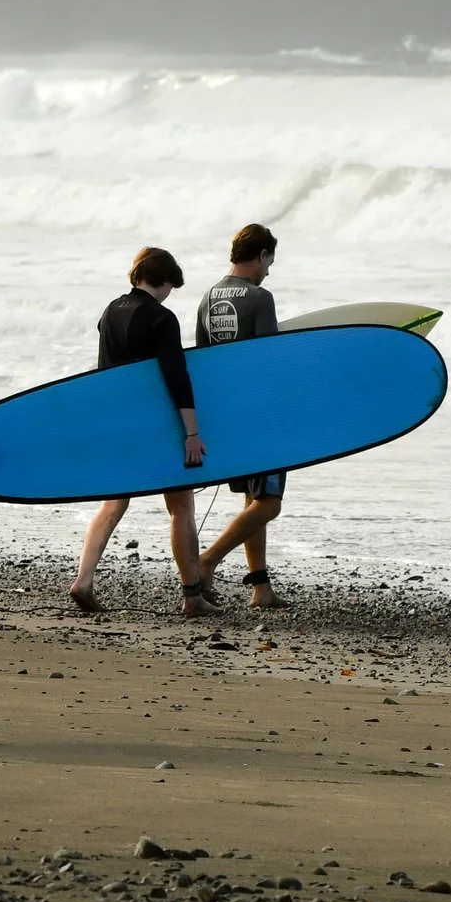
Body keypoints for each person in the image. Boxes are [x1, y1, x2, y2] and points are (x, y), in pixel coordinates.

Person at [68, 246, 211, 617]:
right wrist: (191, 433)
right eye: (171, 286)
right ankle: (192, 596)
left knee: (114, 503)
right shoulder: (161, 318)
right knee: (181, 506)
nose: (169, 294)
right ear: (163, 280)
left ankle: (84, 580)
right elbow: (176, 375)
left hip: (114, 422)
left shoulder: (111, 310)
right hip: (153, 425)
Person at [191, 223, 289, 610]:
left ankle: (260, 588)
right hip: (260, 416)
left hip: (228, 414)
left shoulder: (208, 298)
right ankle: (207, 561)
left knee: (253, 499)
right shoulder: (259, 298)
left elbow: (203, 363)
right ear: (261, 255)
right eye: (270, 263)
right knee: (269, 502)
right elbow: (269, 360)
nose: (268, 272)